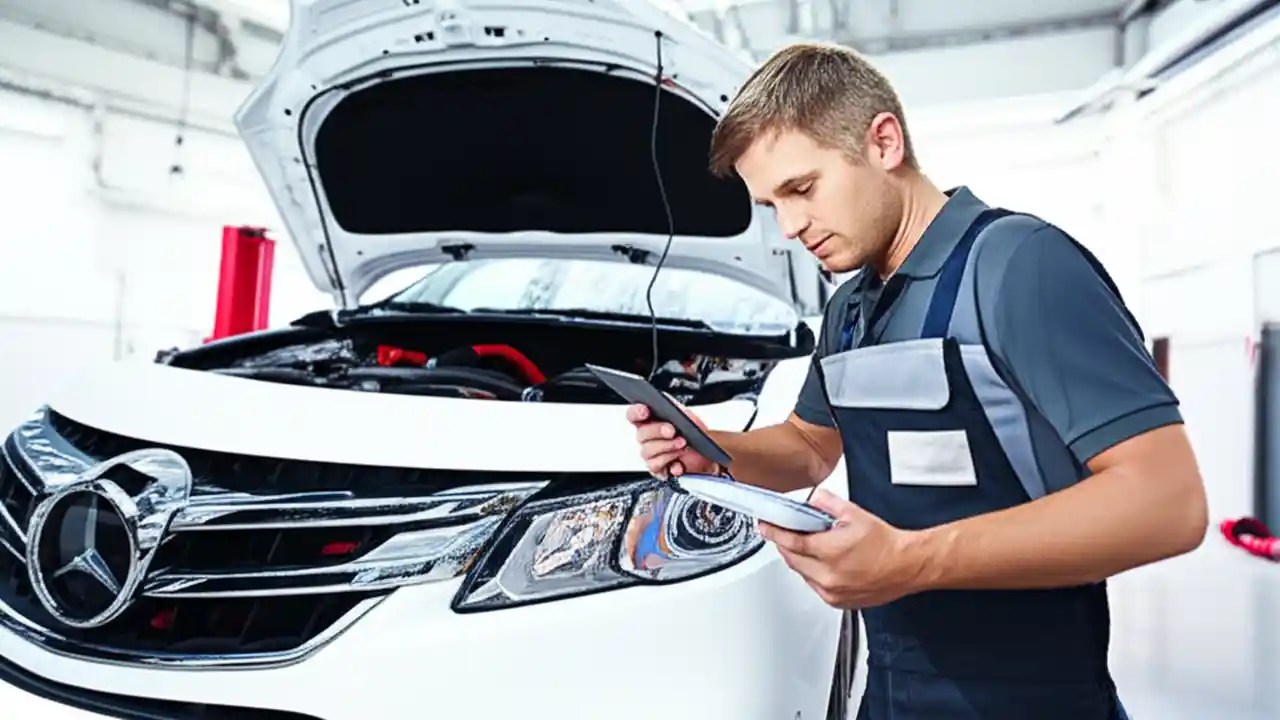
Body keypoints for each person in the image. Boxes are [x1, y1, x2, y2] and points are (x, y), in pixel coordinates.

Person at [627, 41, 1207, 720]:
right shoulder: (850, 306)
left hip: (1030, 701)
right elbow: (812, 448)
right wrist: (717, 450)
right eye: (770, 205)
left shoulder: (1020, 268)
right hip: (894, 693)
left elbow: (1167, 503)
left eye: (802, 189)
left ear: (884, 141)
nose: (788, 227)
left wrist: (911, 561)